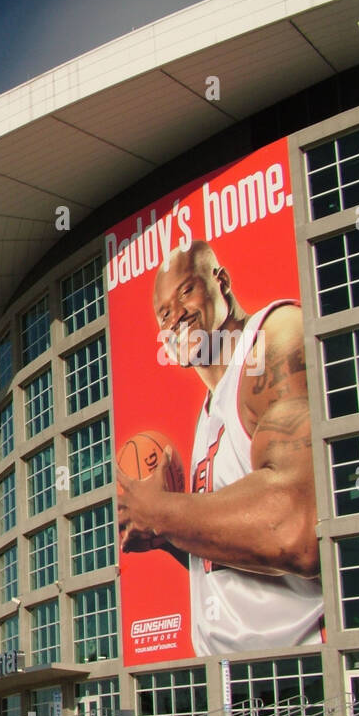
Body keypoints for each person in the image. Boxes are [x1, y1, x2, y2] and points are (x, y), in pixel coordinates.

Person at [116, 240, 323, 656]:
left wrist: (160, 512)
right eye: (164, 313)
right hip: (228, 676)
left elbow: (298, 531)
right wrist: (167, 535)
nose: (176, 315)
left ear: (221, 281)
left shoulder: (274, 336)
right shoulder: (208, 415)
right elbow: (230, 558)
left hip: (300, 668)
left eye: (186, 291)